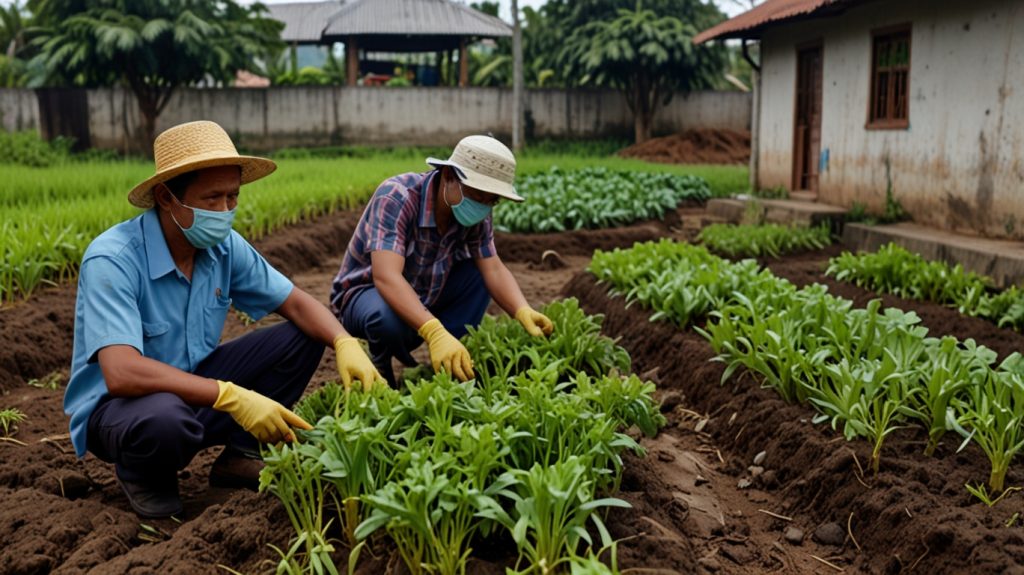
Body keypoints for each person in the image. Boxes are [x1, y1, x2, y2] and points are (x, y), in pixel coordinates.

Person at [64, 121, 381, 519]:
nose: (226, 210)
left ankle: (240, 454)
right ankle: (143, 472)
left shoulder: (221, 247)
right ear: (166, 197)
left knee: (302, 337)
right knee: (165, 420)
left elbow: (298, 304)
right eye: (212, 198)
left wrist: (344, 342)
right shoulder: (113, 259)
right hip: (122, 409)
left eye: (233, 196)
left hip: (193, 384)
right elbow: (122, 372)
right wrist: (230, 395)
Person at [330, 135, 554, 385]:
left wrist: (521, 309)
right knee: (385, 319)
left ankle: (451, 357)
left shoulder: (476, 212)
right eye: (478, 195)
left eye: (492, 200)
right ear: (448, 176)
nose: (483, 206)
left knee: (477, 274)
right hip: (366, 297)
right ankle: (379, 359)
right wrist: (434, 332)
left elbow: (493, 268)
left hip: (424, 295)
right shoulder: (397, 195)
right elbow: (386, 277)